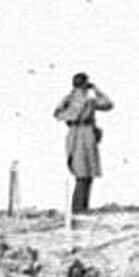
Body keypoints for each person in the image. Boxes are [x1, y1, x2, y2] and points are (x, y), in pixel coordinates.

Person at [53, 71, 114, 215]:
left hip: (77, 132)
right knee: (84, 173)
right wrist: (97, 89)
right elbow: (108, 104)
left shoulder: (70, 98)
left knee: (83, 172)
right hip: (83, 132)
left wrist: (68, 116)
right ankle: (79, 208)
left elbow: (58, 113)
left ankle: (80, 207)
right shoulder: (88, 100)